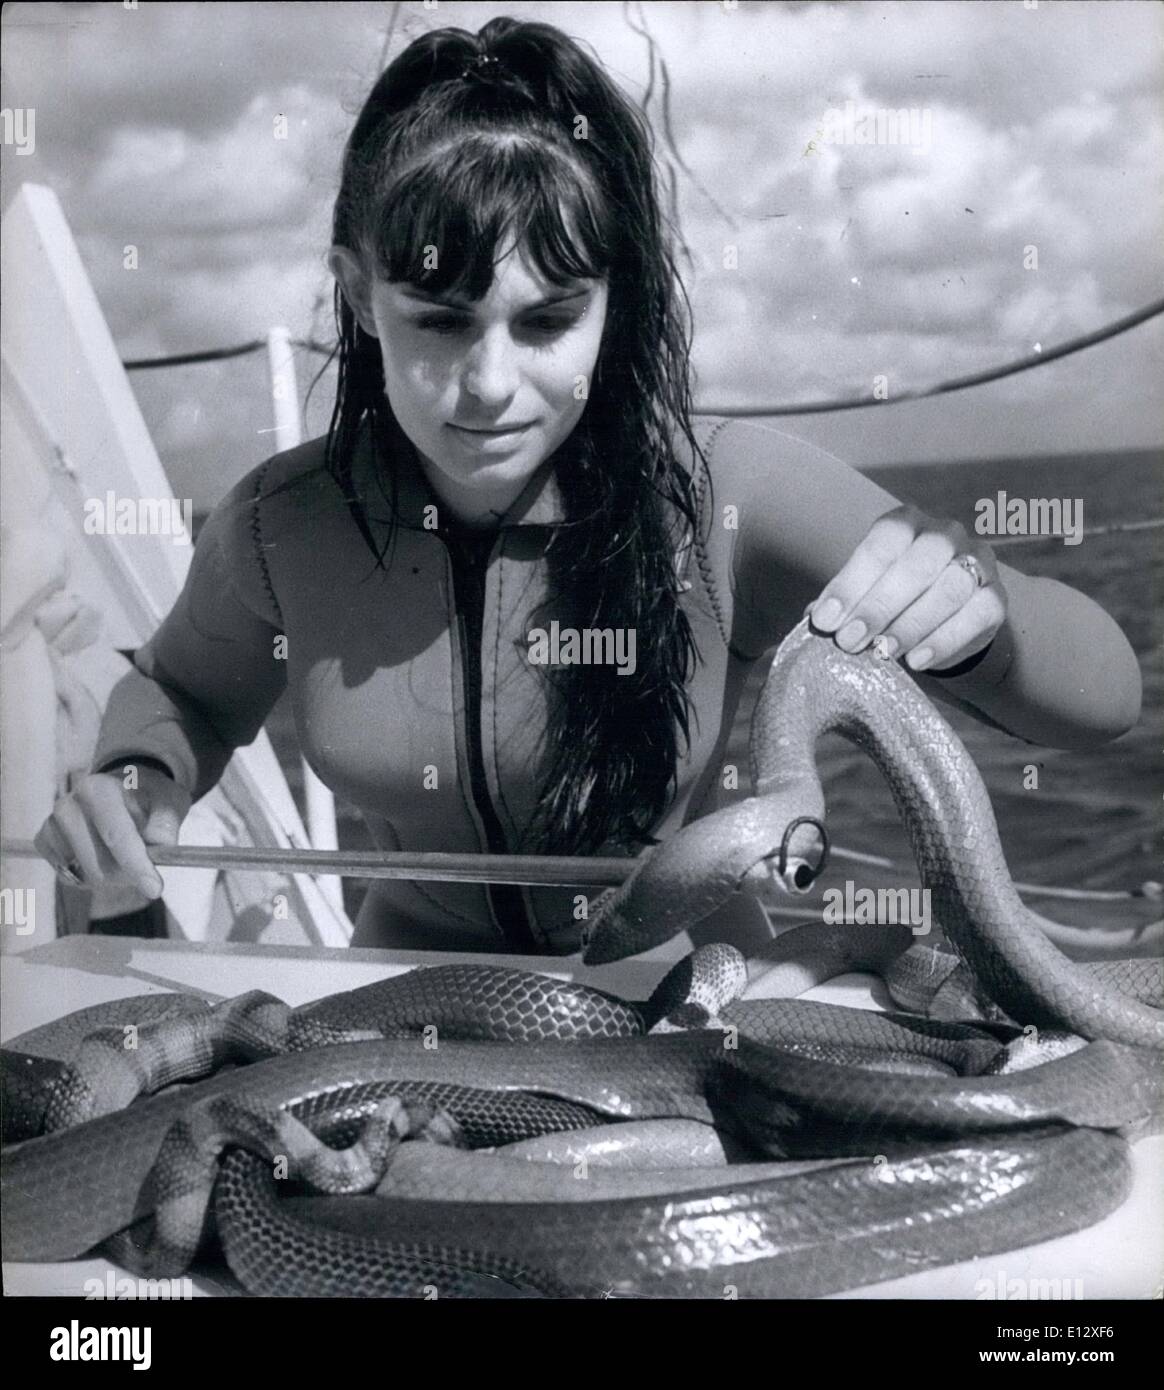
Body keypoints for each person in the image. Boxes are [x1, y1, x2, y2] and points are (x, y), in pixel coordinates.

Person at [35, 17, 1141, 955]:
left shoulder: (728, 495)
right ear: (360, 298)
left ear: (614, 306)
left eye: (548, 319)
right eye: (440, 321)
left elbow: (1106, 699)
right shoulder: (283, 524)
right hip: (397, 1021)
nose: (487, 386)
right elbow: (182, 694)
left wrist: (979, 621)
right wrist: (134, 781)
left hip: (688, 1027)